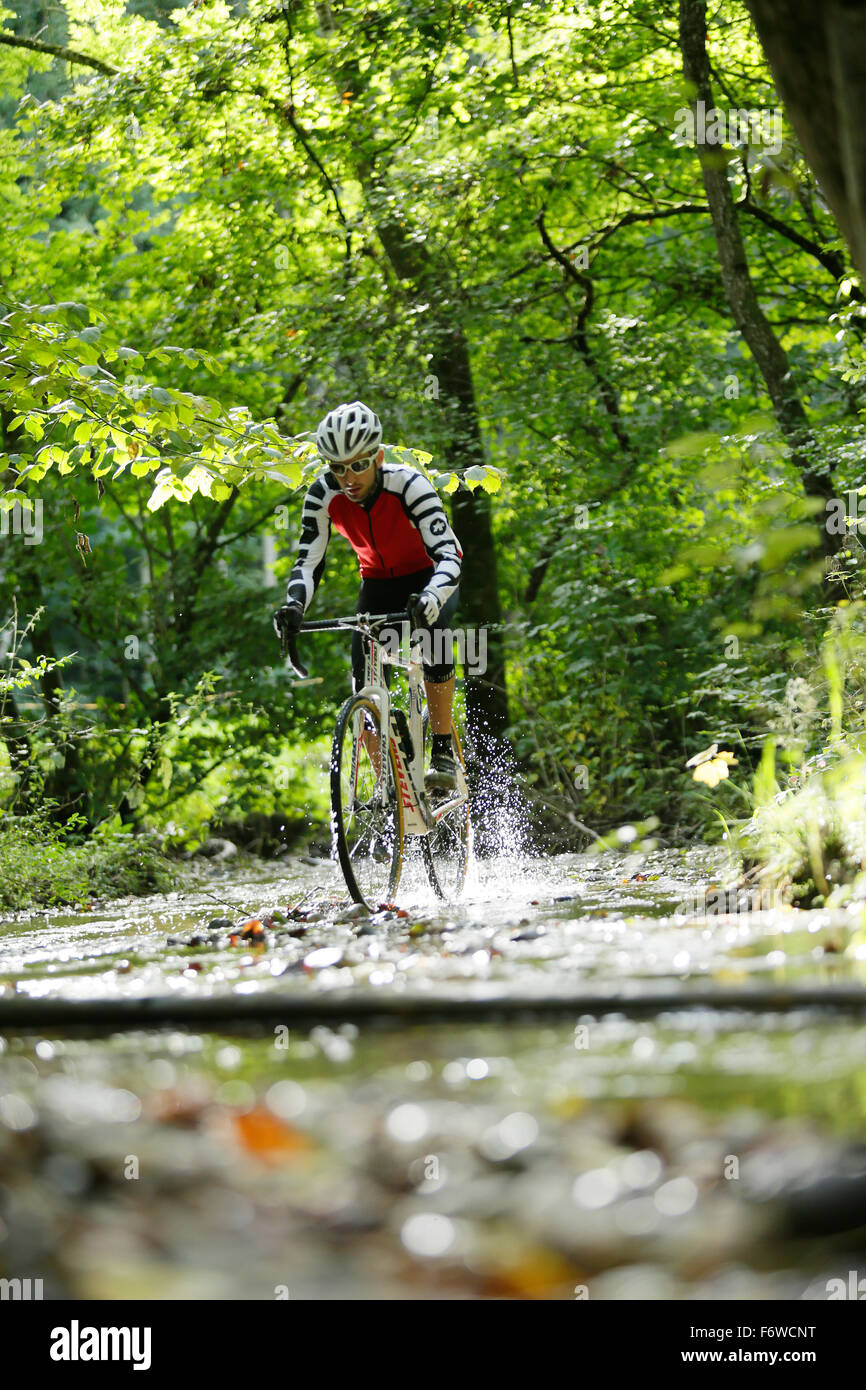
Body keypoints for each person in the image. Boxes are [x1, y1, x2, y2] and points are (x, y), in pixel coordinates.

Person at [274, 401, 463, 790]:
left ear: (378, 457)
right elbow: (308, 563)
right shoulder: (323, 496)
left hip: (430, 576)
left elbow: (450, 555)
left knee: (434, 637)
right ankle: (388, 794)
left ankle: (443, 748)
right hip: (377, 584)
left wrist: (430, 596)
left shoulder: (410, 485)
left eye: (359, 464)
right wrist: (294, 605)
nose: (348, 478)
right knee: (364, 684)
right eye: (337, 467)